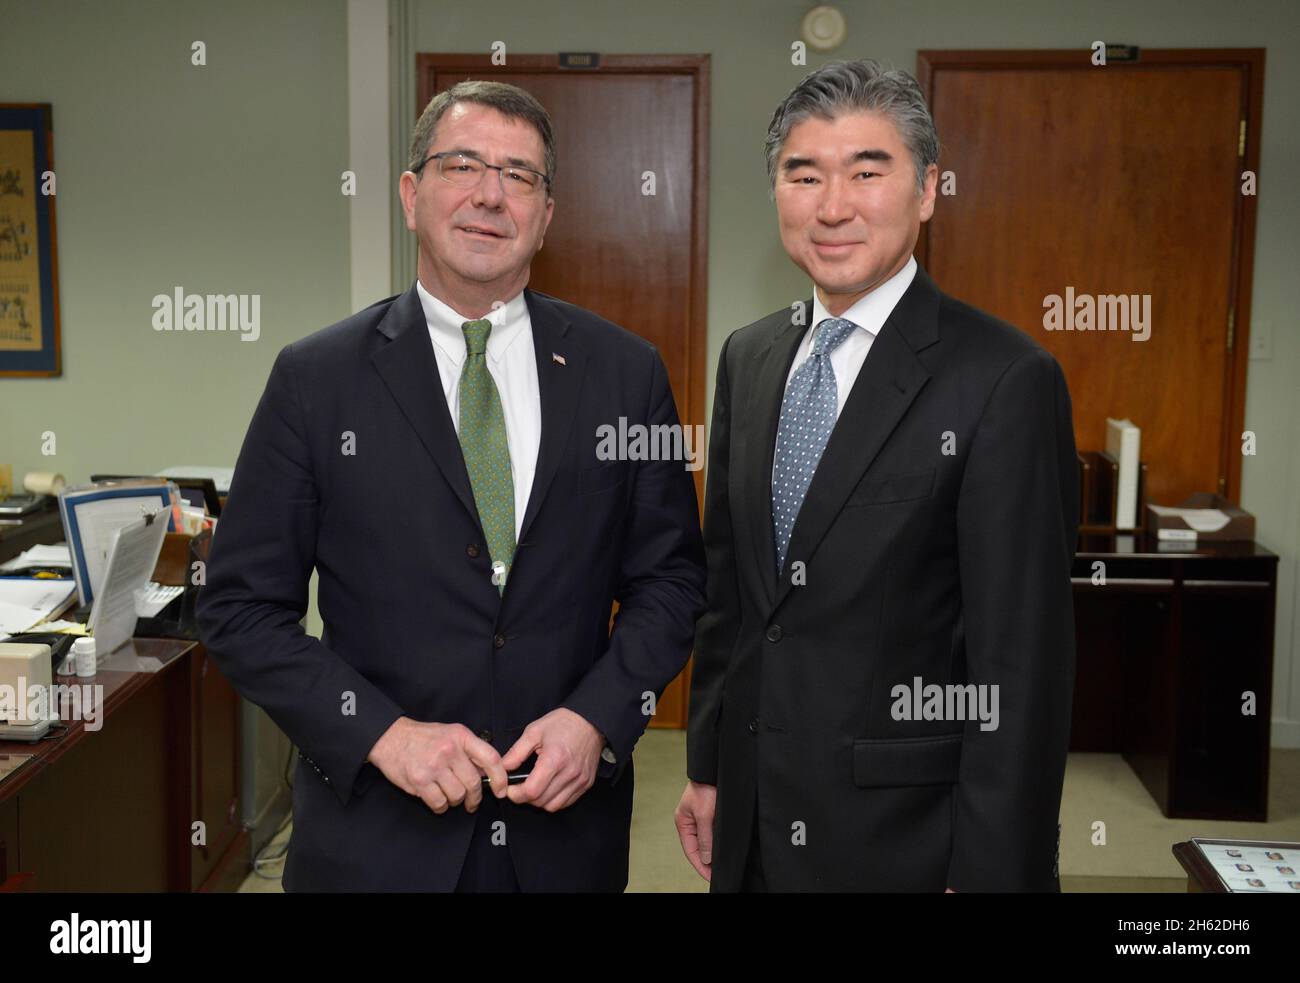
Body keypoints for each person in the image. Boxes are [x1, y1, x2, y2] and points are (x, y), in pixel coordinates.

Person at [197, 80, 705, 891]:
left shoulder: (626, 373)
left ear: (546, 214)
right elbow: (239, 609)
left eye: (521, 176)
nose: (489, 195)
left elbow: (673, 581)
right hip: (374, 842)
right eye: (462, 164)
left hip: (563, 839)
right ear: (411, 193)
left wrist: (598, 719)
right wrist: (384, 735)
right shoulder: (316, 379)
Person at [675, 60, 1079, 892]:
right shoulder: (749, 356)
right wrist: (711, 764)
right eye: (804, 173)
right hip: (752, 819)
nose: (833, 206)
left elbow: (1020, 667)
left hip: (907, 840)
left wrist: (996, 870)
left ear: (928, 189)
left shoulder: (1004, 378)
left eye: (868, 170)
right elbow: (734, 600)